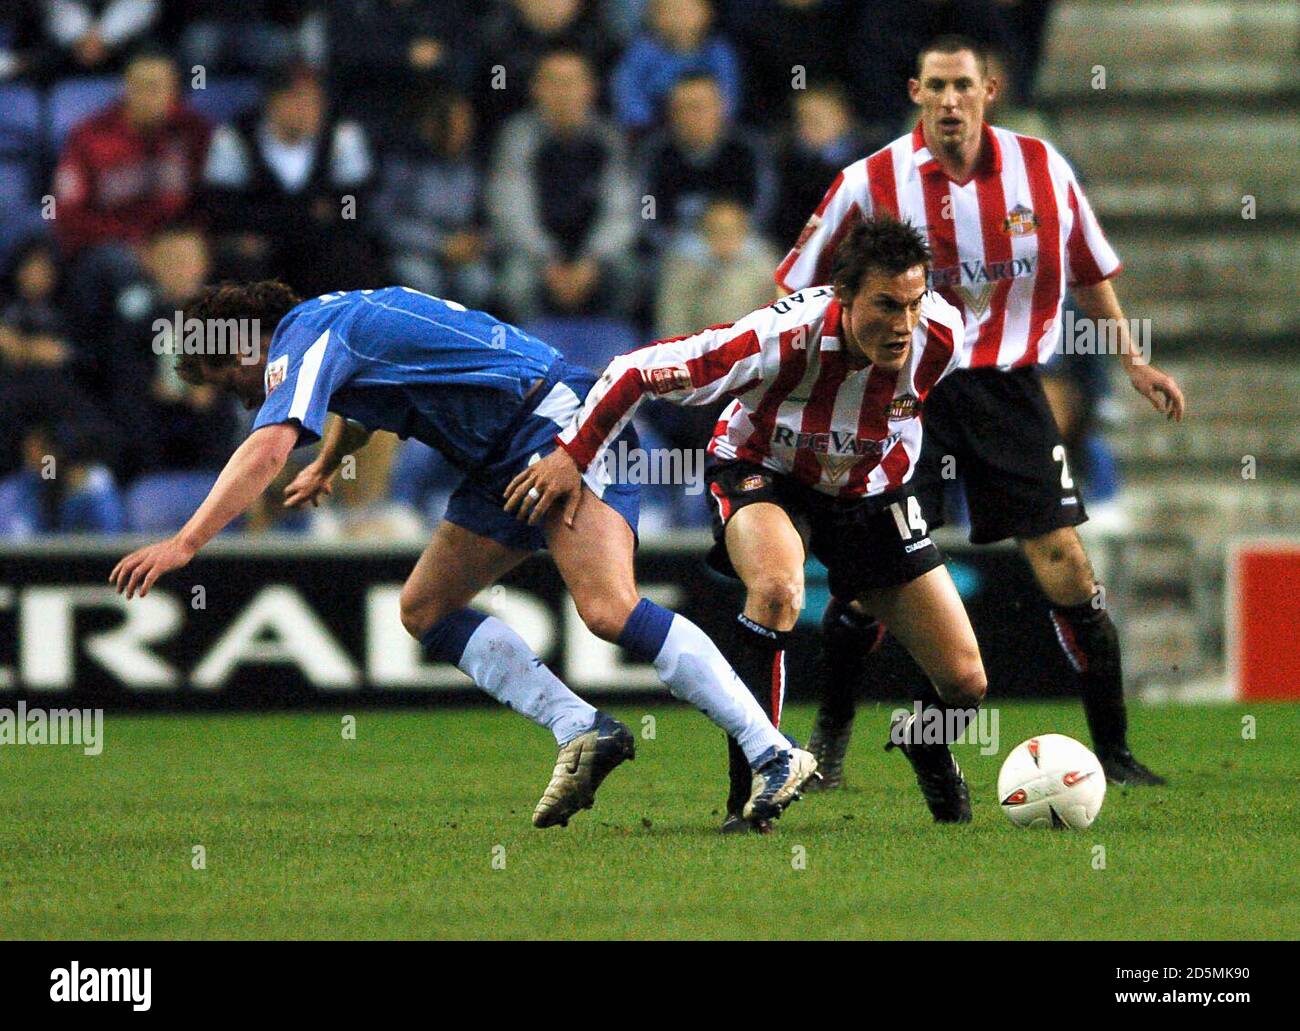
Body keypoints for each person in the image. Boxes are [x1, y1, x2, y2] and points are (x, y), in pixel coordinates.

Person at [109, 283, 816, 829]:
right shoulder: (331, 322)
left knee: (608, 609)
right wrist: (328, 461)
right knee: (426, 607)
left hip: (558, 422)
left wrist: (185, 541)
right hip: (498, 456)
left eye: (225, 379)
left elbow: (267, 446)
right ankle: (581, 727)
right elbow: (365, 400)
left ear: (242, 347)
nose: (239, 397)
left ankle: (773, 752)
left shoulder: (304, 336)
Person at [776, 35, 1186, 791]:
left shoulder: (1042, 167)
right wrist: (820, 377)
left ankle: (1115, 749)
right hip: (907, 395)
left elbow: (1088, 270)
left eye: (962, 85)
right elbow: (797, 284)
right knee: (870, 581)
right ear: (915, 93)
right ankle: (828, 746)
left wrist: (1132, 360)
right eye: (935, 86)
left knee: (1067, 564)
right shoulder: (870, 180)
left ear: (989, 91)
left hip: (1009, 388)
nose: (949, 100)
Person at [508, 216, 986, 831]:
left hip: (871, 491)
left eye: (913, 304)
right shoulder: (779, 338)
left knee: (965, 681)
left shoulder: (941, 335)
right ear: (842, 296)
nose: (902, 324)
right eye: (886, 305)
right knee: (777, 589)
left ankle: (924, 742)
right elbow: (634, 370)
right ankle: (752, 795)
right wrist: (571, 455)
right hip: (765, 471)